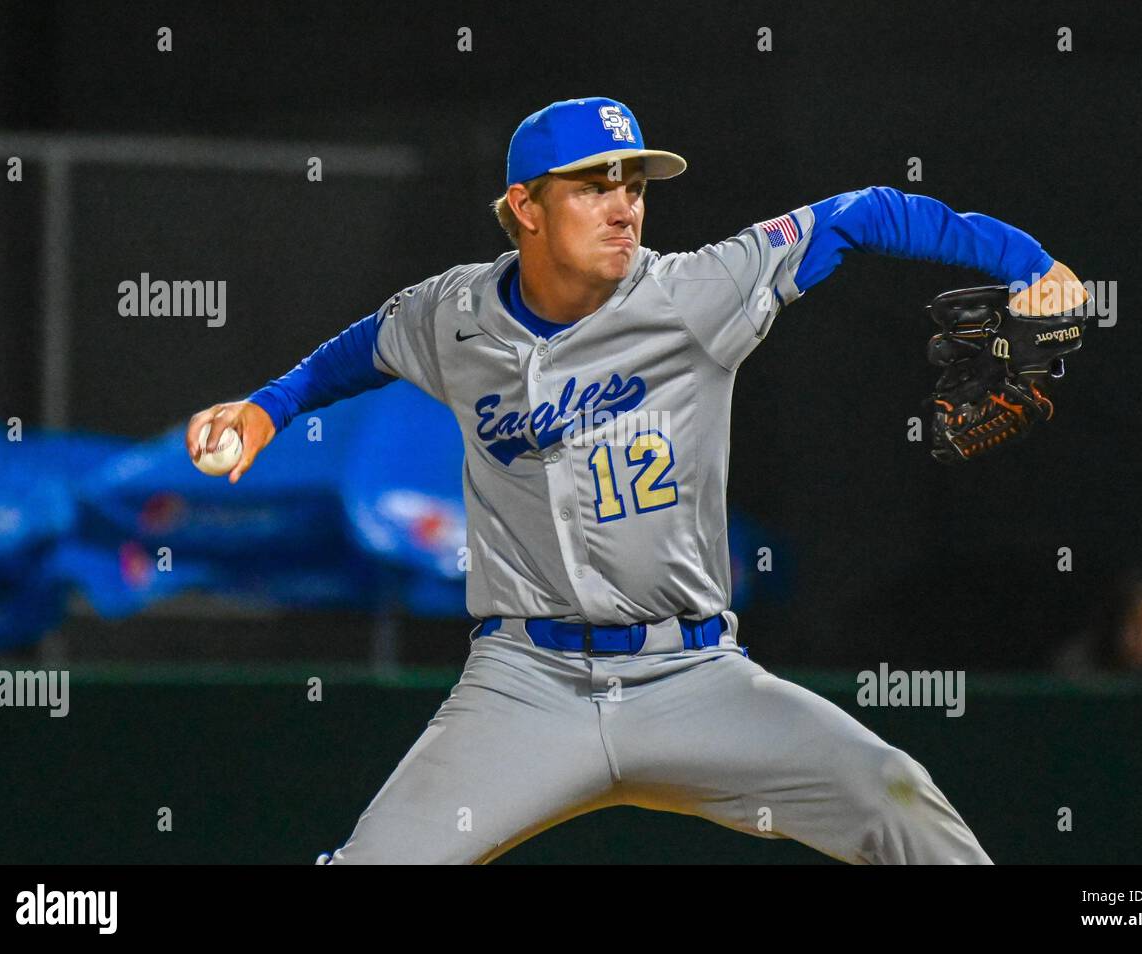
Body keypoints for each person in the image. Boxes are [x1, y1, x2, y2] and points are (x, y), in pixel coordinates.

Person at [187, 96, 1088, 864]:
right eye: (593, 185)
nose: (624, 206)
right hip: (523, 685)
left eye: (634, 184)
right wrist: (267, 408)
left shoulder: (696, 294)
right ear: (525, 205)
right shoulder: (452, 313)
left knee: (896, 798)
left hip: (693, 676)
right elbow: (366, 346)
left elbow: (861, 212)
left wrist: (1031, 265)